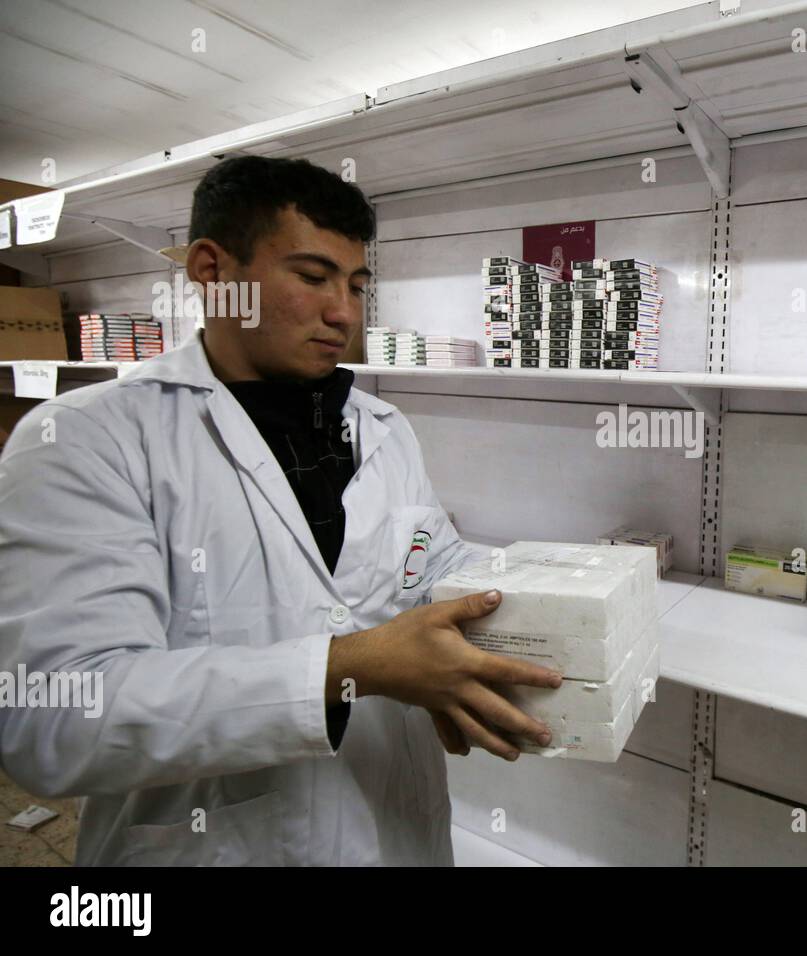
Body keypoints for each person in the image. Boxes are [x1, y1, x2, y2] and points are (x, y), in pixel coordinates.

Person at [0, 155, 561, 865]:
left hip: (393, 826)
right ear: (211, 272)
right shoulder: (88, 438)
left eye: (357, 285)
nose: (344, 314)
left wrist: (563, 594)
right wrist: (351, 667)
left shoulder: (381, 427)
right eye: (312, 276)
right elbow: (53, 723)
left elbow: (429, 560)